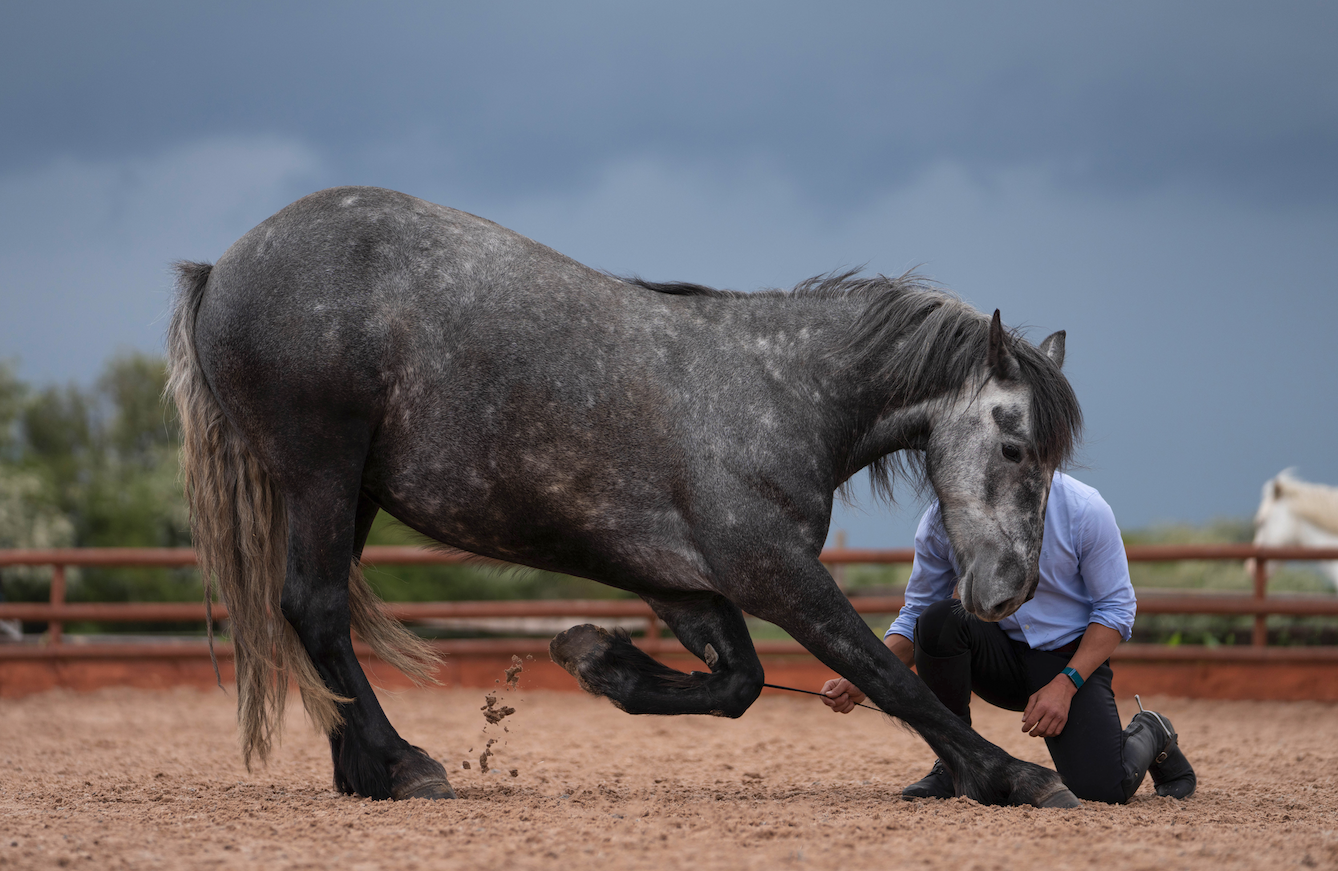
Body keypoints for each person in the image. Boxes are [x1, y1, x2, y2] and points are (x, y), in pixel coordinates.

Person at [821, 471, 1195, 804]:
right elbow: (916, 615)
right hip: (994, 653)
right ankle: (955, 761)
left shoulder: (1084, 509)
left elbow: (1116, 609)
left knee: (1103, 790)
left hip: (1067, 661)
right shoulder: (941, 518)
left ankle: (1152, 730)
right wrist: (865, 677)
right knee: (937, 620)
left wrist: (1066, 684)